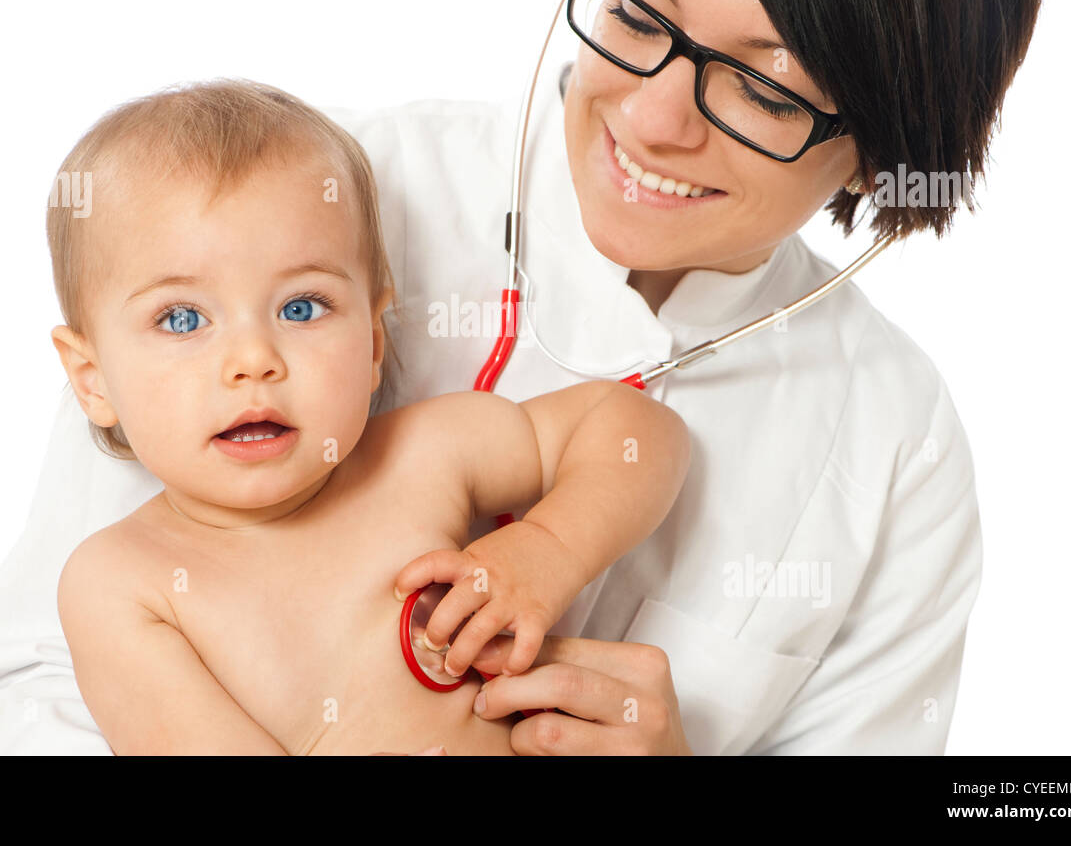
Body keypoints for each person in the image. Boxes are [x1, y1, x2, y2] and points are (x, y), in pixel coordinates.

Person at [0, 0, 1044, 755]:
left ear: (885, 143)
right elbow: (16, 698)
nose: (650, 118)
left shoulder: (896, 445)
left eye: (765, 90)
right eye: (639, 10)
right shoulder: (299, 209)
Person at [45, 79, 689, 754]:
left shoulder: (422, 456)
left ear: (374, 342)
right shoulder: (123, 584)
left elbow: (636, 432)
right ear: (92, 380)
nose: (253, 360)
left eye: (302, 307)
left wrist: (549, 550)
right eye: (182, 319)